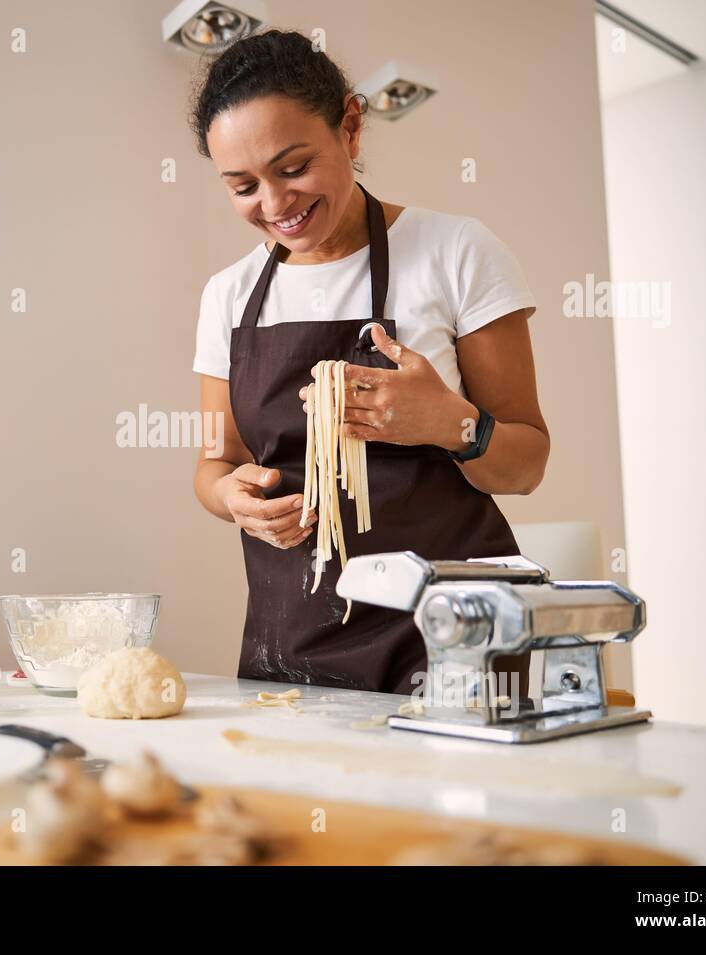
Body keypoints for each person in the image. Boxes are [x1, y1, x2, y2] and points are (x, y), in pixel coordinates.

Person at [190, 31, 549, 694]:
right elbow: (215, 462)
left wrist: (450, 423)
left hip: (451, 639)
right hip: (292, 646)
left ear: (350, 127)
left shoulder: (457, 252)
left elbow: (526, 462)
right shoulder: (229, 296)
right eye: (243, 186)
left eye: (293, 168)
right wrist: (231, 498)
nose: (274, 207)